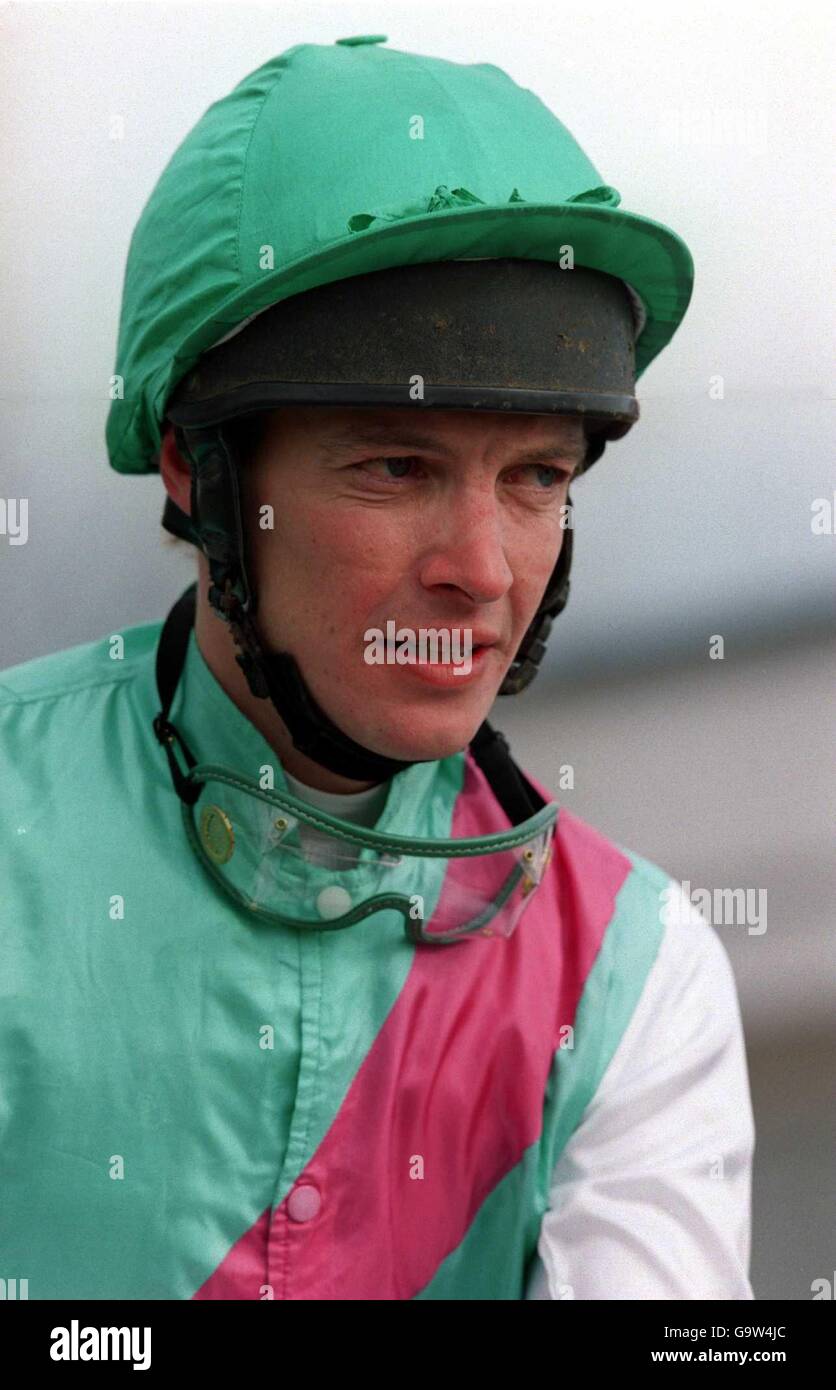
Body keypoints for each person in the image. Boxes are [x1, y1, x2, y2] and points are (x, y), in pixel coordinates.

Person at [0, 34, 754, 1300]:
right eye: (394, 468)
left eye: (536, 477)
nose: (483, 568)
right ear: (200, 469)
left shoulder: (636, 973)